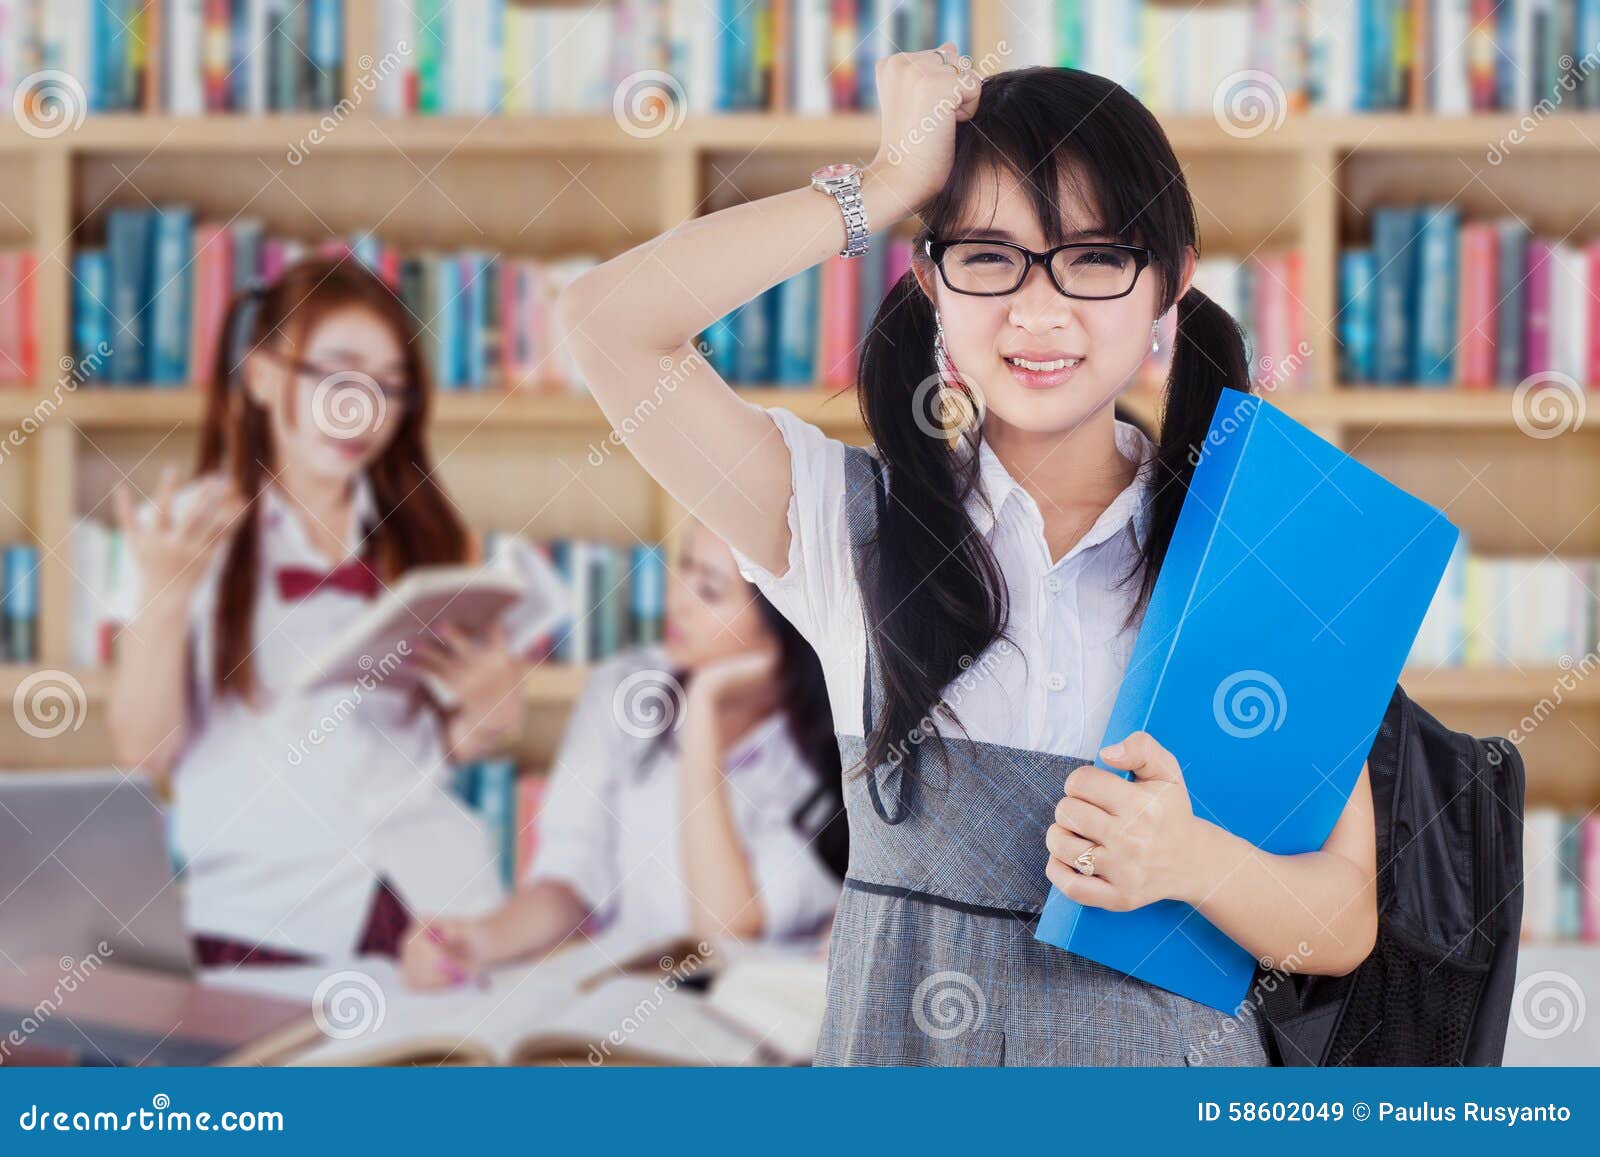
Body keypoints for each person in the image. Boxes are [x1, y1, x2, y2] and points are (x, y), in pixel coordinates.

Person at [549, 51, 1379, 1065]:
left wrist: (1189, 858)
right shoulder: (844, 521)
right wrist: (885, 185)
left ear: (1172, 282)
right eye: (987, 255)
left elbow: (1337, 922)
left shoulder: (1260, 552)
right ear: (931, 280)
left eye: (1094, 256)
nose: (1038, 310)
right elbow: (607, 326)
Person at [107, 257, 564, 966]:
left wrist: (489, 719)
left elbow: (438, 744)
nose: (364, 409)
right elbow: (143, 750)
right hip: (266, 918)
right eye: (338, 375)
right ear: (260, 376)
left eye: (389, 387)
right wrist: (164, 594)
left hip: (439, 899)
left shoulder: (426, 535)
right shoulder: (188, 530)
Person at [399, 520, 846, 988]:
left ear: (790, 620)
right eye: (684, 567)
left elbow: (724, 930)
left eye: (709, 590)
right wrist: (480, 939)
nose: (677, 601)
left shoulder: (830, 752)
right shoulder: (624, 688)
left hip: (758, 1015)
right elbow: (571, 876)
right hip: (633, 998)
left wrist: (703, 719)